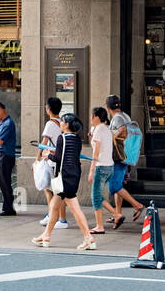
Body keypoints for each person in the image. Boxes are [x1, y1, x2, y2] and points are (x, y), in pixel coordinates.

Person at [31, 114, 96, 250]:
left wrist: (47, 154)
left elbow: (57, 159)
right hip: (73, 176)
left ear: (66, 125)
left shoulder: (62, 138)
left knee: (75, 209)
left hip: (63, 178)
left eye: (62, 121)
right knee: (54, 207)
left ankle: (88, 238)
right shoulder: (77, 139)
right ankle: (46, 236)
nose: (60, 123)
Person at [105, 95, 145, 227]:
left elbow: (121, 133)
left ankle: (137, 205)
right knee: (118, 185)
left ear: (107, 107)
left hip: (119, 156)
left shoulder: (116, 119)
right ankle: (117, 214)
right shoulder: (125, 116)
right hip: (126, 156)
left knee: (114, 186)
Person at [37, 97, 68, 231]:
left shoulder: (50, 124)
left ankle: (60, 219)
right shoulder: (62, 122)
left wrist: (37, 158)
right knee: (52, 190)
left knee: (55, 191)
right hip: (60, 160)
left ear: (48, 109)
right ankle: (52, 215)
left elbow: (44, 142)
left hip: (53, 161)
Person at [87, 106, 116, 235]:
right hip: (110, 166)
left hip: (101, 167)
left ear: (97, 117)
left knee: (95, 197)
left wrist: (91, 170)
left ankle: (100, 226)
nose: (91, 119)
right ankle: (116, 214)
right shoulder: (106, 129)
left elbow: (96, 151)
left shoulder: (98, 129)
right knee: (98, 196)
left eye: (92, 116)